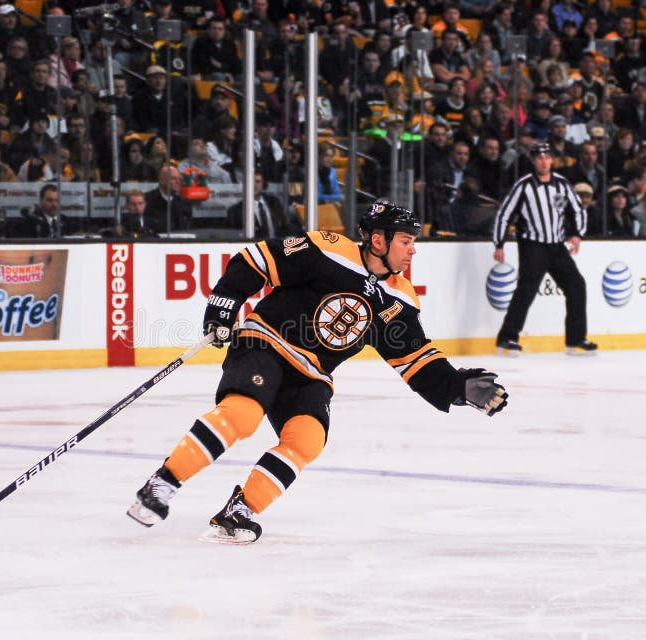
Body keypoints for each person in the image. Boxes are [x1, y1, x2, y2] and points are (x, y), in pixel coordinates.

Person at [127, 200, 508, 544]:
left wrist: (457, 387)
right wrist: (223, 307)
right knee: (242, 416)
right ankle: (162, 483)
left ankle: (240, 510)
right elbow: (255, 260)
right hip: (267, 343)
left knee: (307, 439)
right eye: (406, 241)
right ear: (378, 240)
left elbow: (416, 360)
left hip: (312, 373)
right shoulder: (327, 249)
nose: (412, 250)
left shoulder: (400, 298)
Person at [492, 143, 597, 356]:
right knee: (526, 291)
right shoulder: (524, 185)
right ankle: (507, 338)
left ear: (552, 160)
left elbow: (578, 210)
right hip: (533, 245)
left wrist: (577, 234)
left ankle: (575, 339)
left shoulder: (562, 184)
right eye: (539, 157)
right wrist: (499, 244)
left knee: (576, 285)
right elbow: (505, 214)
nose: (543, 161)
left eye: (547, 157)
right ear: (533, 161)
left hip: (556, 246)